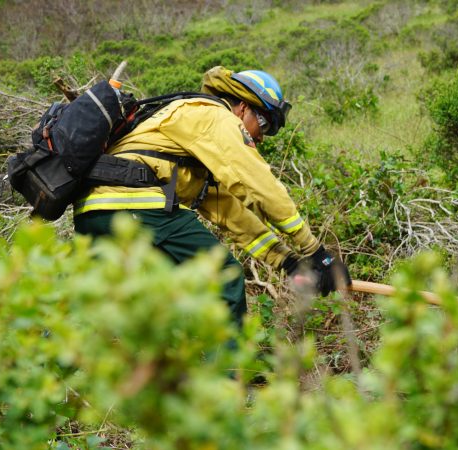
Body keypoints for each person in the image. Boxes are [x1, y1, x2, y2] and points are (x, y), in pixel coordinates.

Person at [73, 66, 351, 325]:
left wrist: (287, 262)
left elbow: (229, 212)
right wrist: (316, 252)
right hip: (138, 203)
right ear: (243, 107)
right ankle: (233, 363)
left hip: (94, 211)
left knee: (114, 304)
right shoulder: (215, 116)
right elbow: (259, 184)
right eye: (264, 124)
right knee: (225, 277)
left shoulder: (195, 136)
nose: (261, 137)